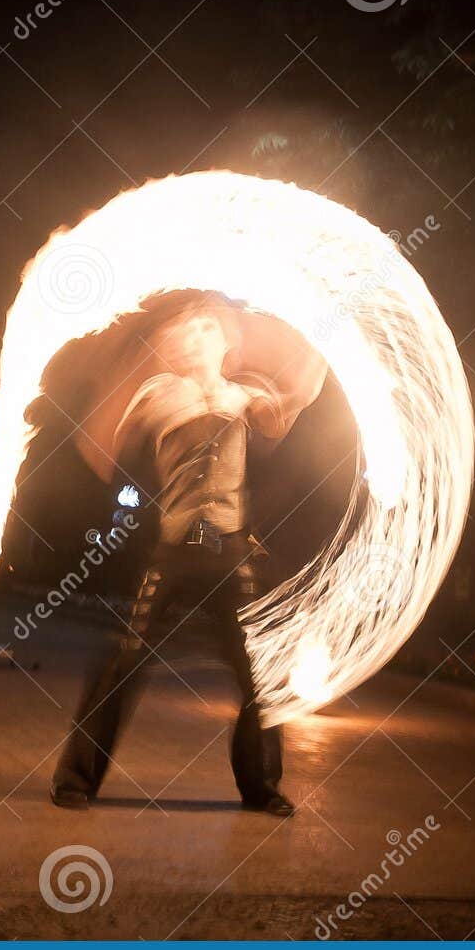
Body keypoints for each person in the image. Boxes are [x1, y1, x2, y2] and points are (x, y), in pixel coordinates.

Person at [50, 302, 322, 817]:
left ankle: (262, 788)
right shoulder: (161, 395)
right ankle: (75, 779)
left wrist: (323, 339)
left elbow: (292, 401)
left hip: (230, 552)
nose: (195, 338)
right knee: (125, 661)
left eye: (207, 329)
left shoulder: (240, 396)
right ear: (175, 347)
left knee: (260, 673)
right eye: (186, 332)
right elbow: (105, 434)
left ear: (226, 344)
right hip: (175, 552)